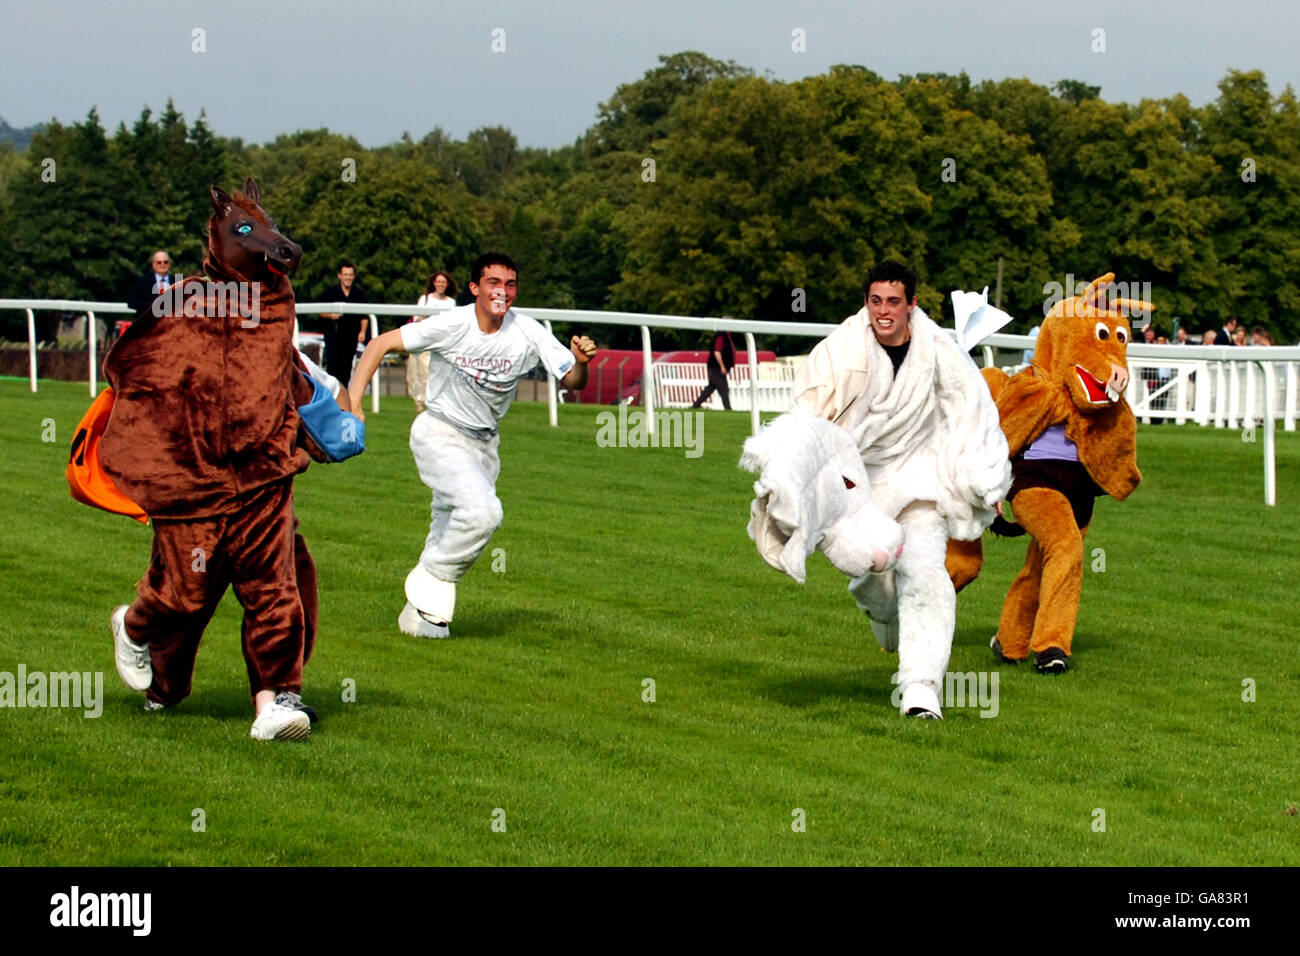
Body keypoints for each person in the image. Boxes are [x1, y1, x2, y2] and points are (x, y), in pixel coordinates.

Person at [789, 260, 1011, 718]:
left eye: (893, 301)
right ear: (866, 303)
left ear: (912, 303)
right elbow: (809, 416)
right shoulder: (840, 351)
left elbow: (971, 411)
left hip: (919, 484)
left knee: (926, 576)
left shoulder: (939, 351)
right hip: (860, 489)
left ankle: (920, 690)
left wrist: (988, 480)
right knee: (879, 582)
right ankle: (880, 609)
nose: (883, 311)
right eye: (875, 301)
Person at [347, 252, 596, 639]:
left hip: (485, 446)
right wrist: (355, 403)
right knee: (483, 514)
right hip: (439, 433)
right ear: (475, 288)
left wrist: (581, 363)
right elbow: (380, 344)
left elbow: (572, 381)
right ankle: (428, 576)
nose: (503, 291)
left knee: (449, 523)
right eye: (494, 283)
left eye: (510, 284)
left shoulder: (529, 331)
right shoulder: (451, 324)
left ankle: (421, 618)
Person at [405, 270, 459, 411]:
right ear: (434, 283)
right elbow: (417, 318)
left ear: (447, 284)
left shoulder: (451, 302)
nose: (441, 284)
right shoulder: (425, 299)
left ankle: (437, 402)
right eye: (438, 281)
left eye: (443, 282)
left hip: (442, 342)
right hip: (425, 341)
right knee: (422, 373)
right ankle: (420, 403)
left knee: (440, 373)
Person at [319, 262, 370, 385]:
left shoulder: (358, 294)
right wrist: (331, 316)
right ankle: (332, 397)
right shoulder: (331, 293)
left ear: (354, 276)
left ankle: (343, 397)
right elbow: (320, 312)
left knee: (346, 369)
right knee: (332, 368)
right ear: (339, 276)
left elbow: (365, 316)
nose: (348, 277)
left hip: (350, 337)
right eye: (345, 274)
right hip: (333, 337)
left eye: (350, 275)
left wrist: (362, 331)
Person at [690, 330, 737, 410]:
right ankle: (728, 408)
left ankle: (696, 405)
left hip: (716, 367)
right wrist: (722, 366)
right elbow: (717, 352)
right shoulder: (721, 337)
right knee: (723, 388)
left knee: (711, 388)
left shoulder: (726, 337)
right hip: (716, 367)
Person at [126, 250, 176, 314]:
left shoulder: (178, 282)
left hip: (171, 322)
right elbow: (132, 303)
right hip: (148, 321)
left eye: (165, 262)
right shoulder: (143, 281)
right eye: (159, 262)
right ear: (153, 265)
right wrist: (154, 306)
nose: (162, 264)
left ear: (169, 264)